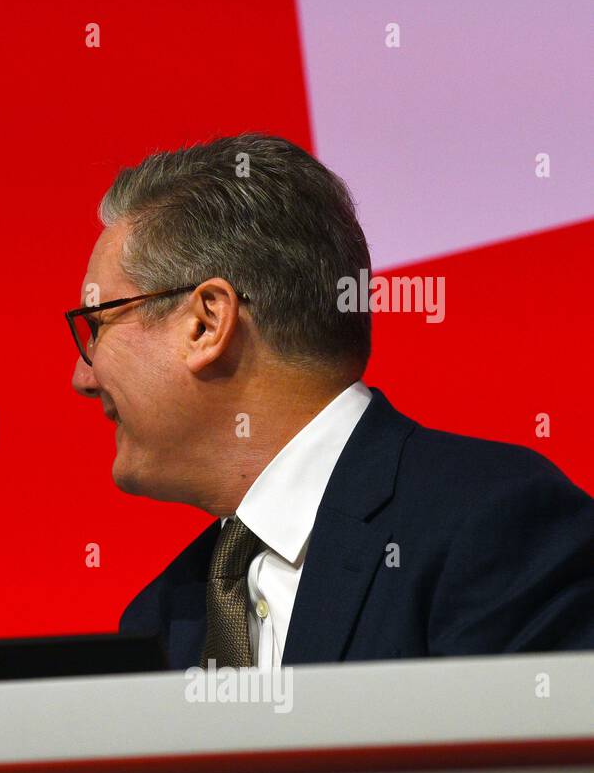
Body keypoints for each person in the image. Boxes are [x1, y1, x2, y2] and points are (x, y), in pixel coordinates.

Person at [68, 134, 594, 669]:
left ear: (206, 322)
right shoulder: (162, 618)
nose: (81, 377)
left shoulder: (489, 527)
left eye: (96, 325)